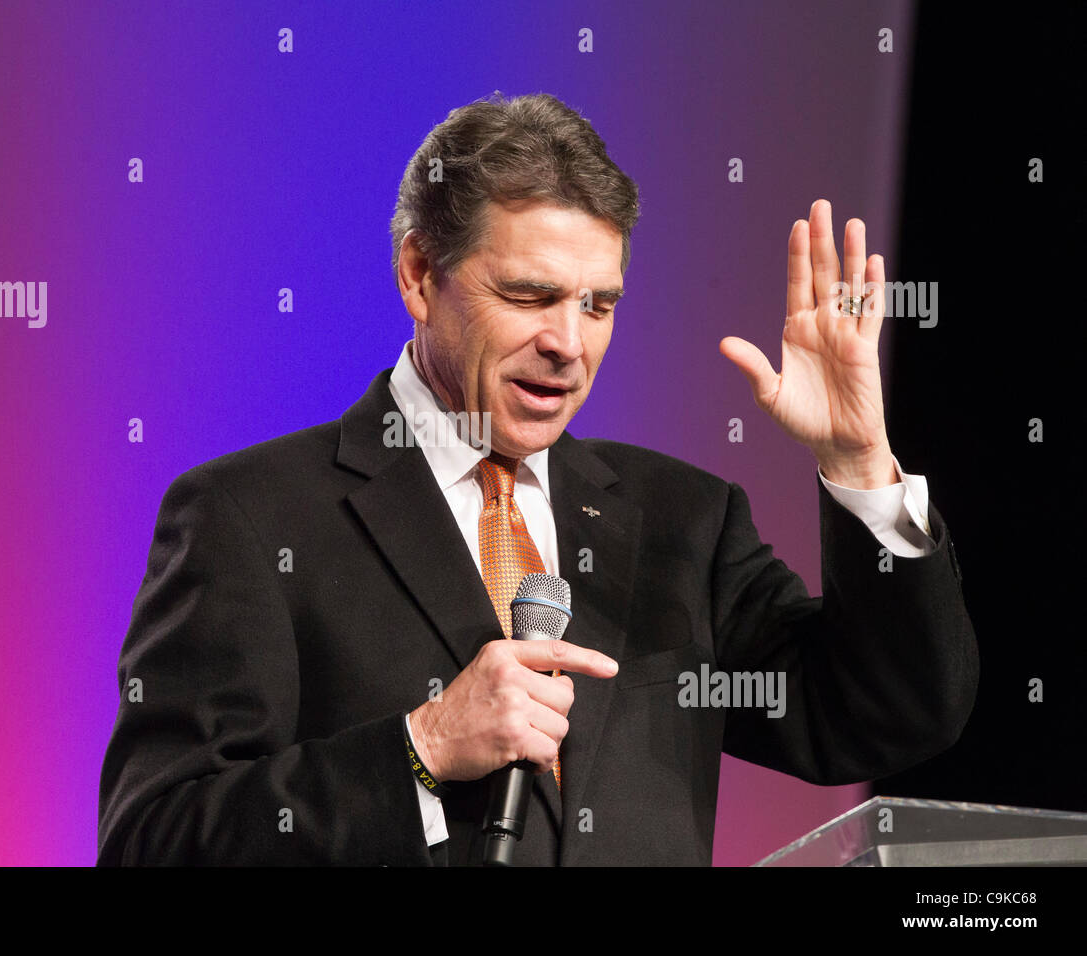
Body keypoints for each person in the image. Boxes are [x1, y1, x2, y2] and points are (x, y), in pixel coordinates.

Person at [96, 92, 977, 866]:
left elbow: (885, 716)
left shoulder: (683, 522)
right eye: (529, 296)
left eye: (599, 305)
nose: (570, 342)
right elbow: (155, 840)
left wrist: (859, 462)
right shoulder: (251, 516)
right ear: (418, 275)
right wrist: (421, 747)